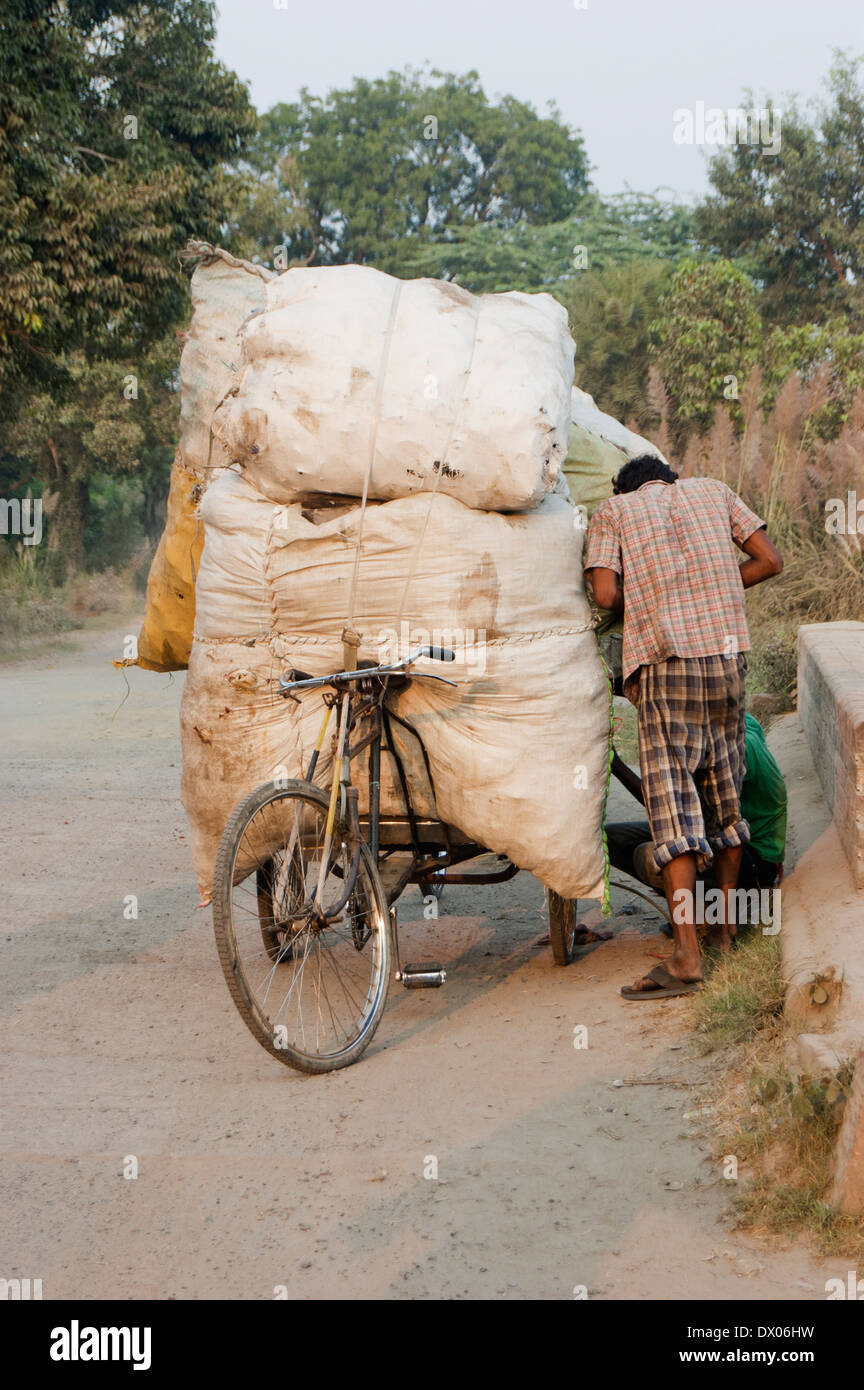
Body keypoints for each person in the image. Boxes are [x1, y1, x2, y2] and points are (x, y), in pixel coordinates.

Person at [584, 455, 783, 1000]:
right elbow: (770, 560)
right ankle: (721, 935)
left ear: (626, 487)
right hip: (725, 662)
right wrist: (714, 589)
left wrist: (652, 597)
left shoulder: (614, 511)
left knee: (672, 807)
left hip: (667, 667)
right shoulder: (715, 491)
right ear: (671, 477)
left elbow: (604, 595)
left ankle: (687, 956)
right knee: (725, 793)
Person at [606, 711, 787, 913]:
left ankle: (716, 908)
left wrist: (617, 765)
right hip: (717, 835)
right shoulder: (735, 719)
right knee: (610, 838)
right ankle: (698, 898)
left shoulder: (728, 752)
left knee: (649, 857)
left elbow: (672, 809)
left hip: (755, 859)